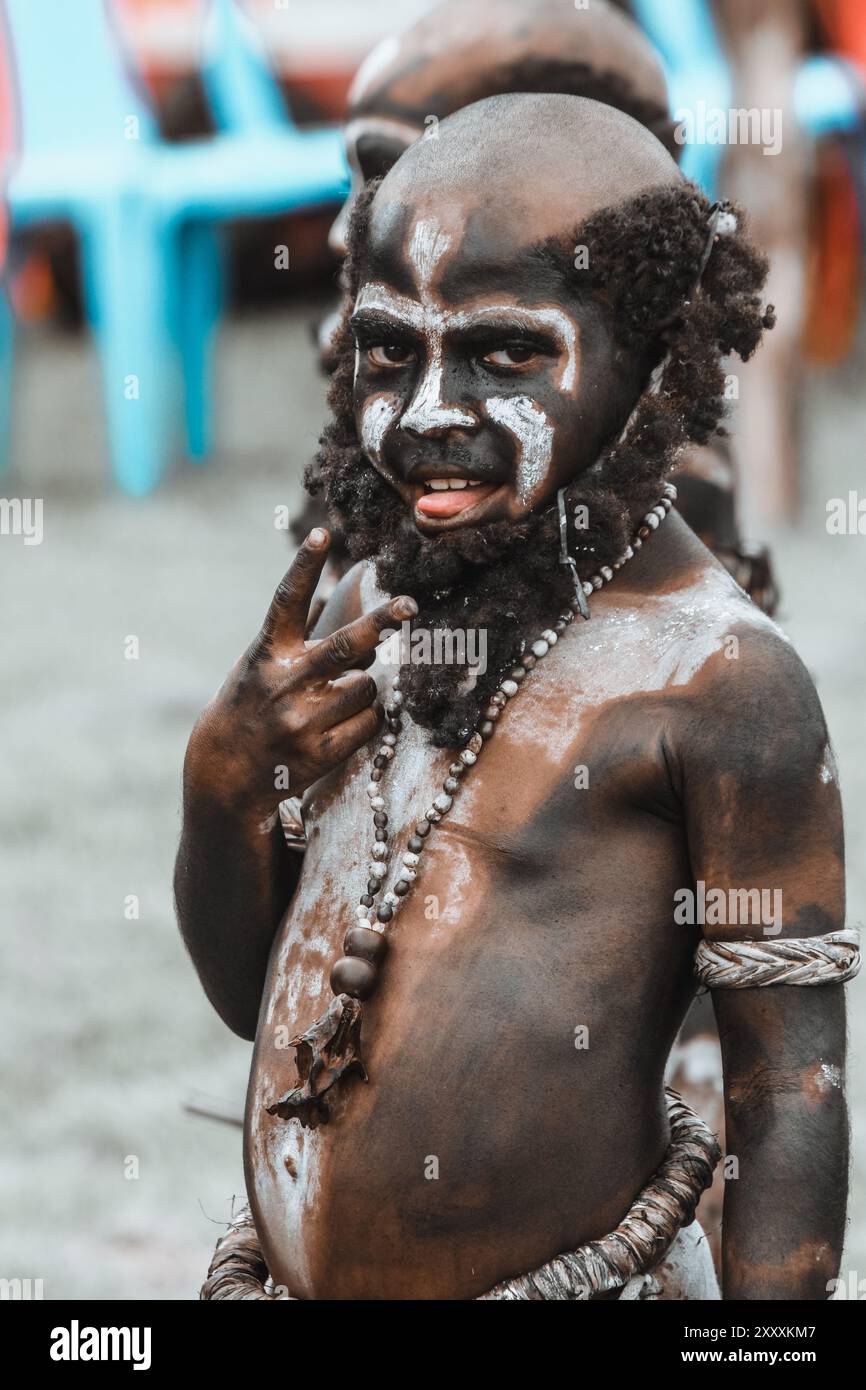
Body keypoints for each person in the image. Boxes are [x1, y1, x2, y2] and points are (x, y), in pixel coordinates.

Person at [179, 95, 855, 1300]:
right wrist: (224, 791)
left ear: (649, 351)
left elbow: (785, 1097)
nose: (431, 411)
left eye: (504, 354)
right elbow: (248, 1000)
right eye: (391, 349)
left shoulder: (714, 678)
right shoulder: (359, 619)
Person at [296, 0, 776, 619]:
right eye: (393, 348)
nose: (343, 232)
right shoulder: (388, 478)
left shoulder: (668, 577)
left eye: (389, 173)